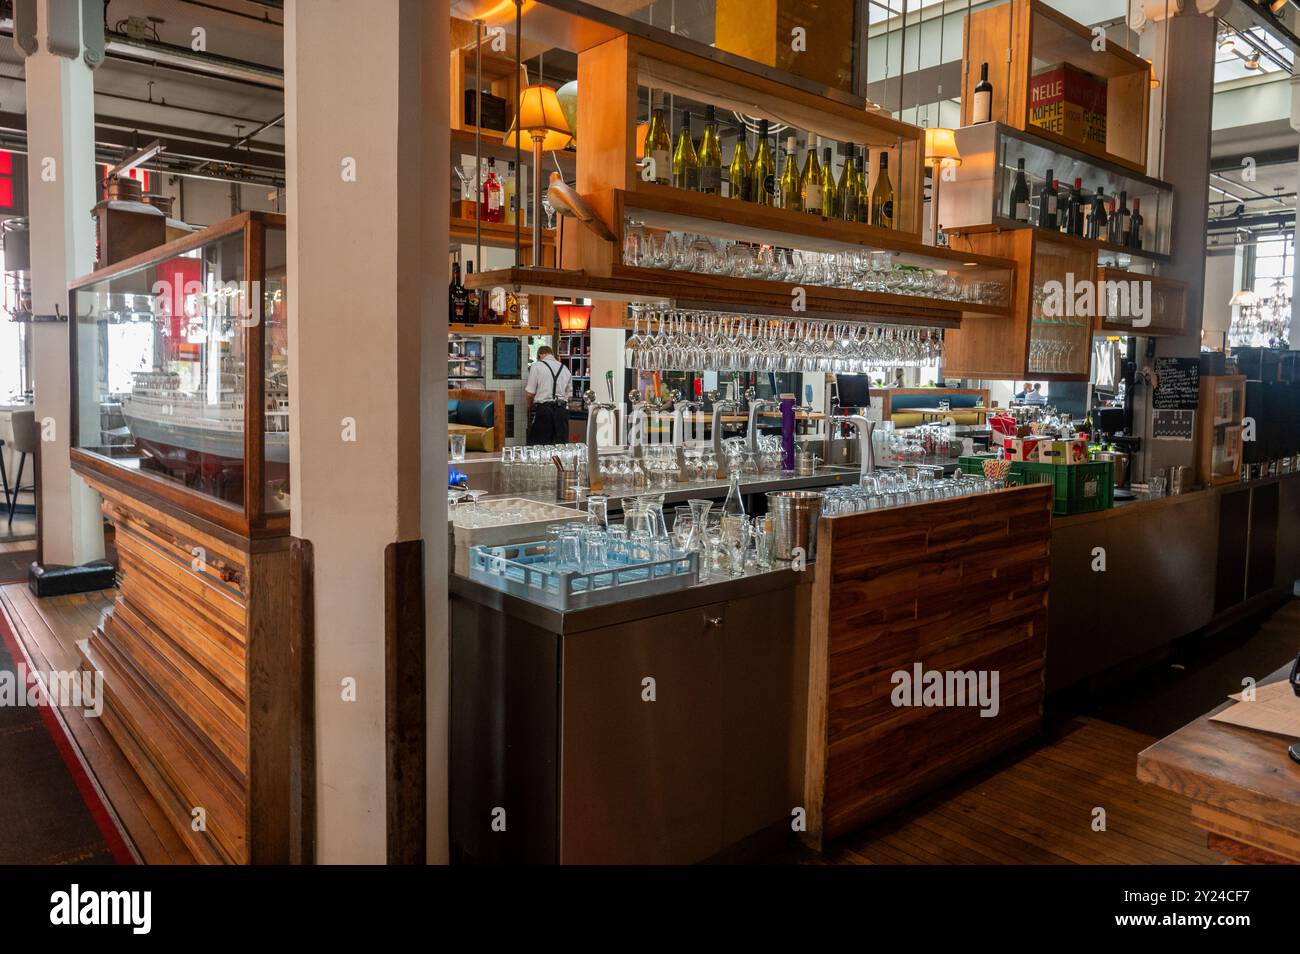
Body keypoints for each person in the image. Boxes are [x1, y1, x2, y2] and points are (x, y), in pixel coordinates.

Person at [525, 345, 572, 445]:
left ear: (540, 355)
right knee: (560, 447)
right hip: (561, 411)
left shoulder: (537, 366)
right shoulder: (565, 369)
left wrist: (529, 406)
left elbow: (530, 393)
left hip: (545, 411)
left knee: (539, 446)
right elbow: (569, 395)